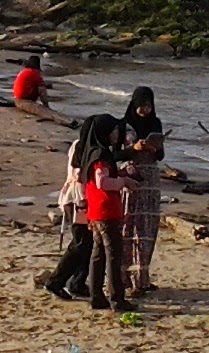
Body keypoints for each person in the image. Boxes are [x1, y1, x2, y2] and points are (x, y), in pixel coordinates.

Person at [80, 115, 135, 311]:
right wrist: (123, 182)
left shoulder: (90, 153)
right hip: (106, 210)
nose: (116, 134)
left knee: (98, 254)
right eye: (113, 131)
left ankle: (96, 296)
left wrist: (119, 176)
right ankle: (117, 299)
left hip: (95, 211)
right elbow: (102, 182)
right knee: (113, 255)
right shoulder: (101, 155)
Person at [44, 124, 99, 300]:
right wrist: (83, 202)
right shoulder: (82, 147)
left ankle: (77, 282)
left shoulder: (85, 146)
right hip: (77, 200)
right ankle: (55, 281)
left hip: (79, 199)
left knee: (87, 243)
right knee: (80, 244)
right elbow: (78, 175)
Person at [120, 86, 165, 296]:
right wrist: (134, 149)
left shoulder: (156, 123)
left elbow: (161, 156)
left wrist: (155, 148)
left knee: (147, 228)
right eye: (141, 105)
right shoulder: (123, 125)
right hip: (131, 175)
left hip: (151, 179)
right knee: (129, 225)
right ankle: (123, 277)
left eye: (148, 106)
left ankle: (142, 277)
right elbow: (116, 153)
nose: (145, 110)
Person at [12, 55, 73, 125]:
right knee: (45, 111)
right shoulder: (34, 73)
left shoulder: (25, 72)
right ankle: (68, 122)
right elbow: (42, 92)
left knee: (43, 109)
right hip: (24, 101)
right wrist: (46, 104)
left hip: (18, 99)